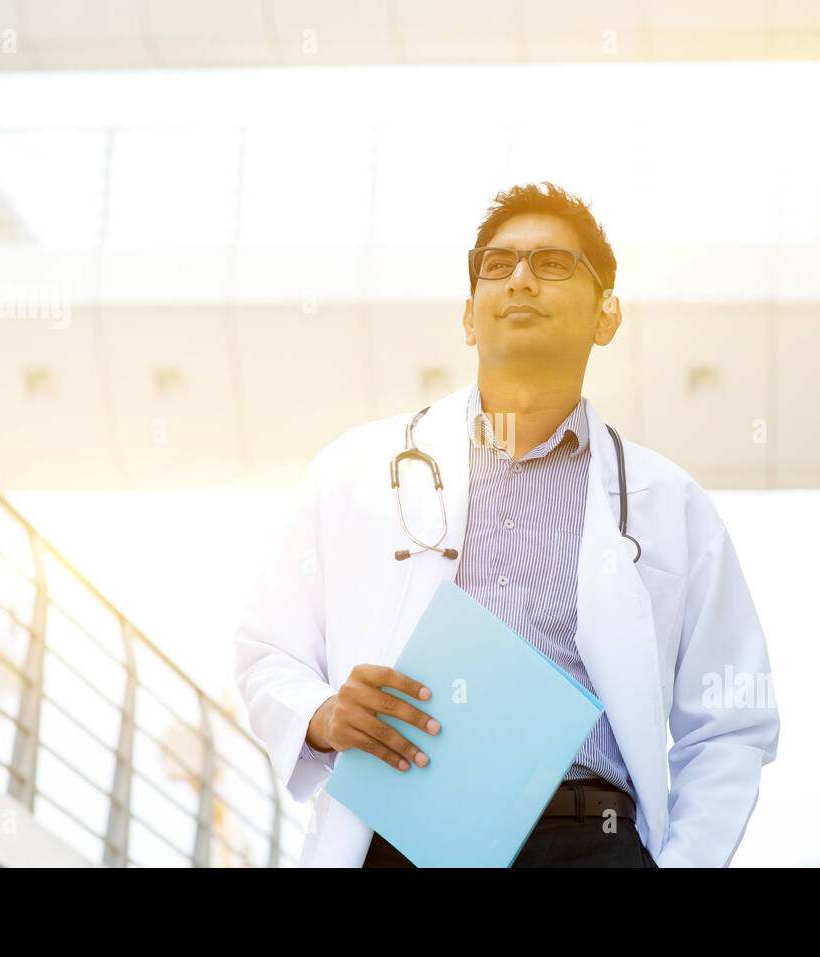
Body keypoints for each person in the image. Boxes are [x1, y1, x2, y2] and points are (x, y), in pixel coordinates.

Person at [235, 181, 779, 867]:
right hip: (403, 834)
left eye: (552, 264)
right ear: (469, 316)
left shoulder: (671, 503)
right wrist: (319, 715)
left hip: (588, 838)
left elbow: (730, 719)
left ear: (606, 315)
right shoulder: (355, 469)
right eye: (498, 264)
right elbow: (266, 648)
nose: (521, 278)